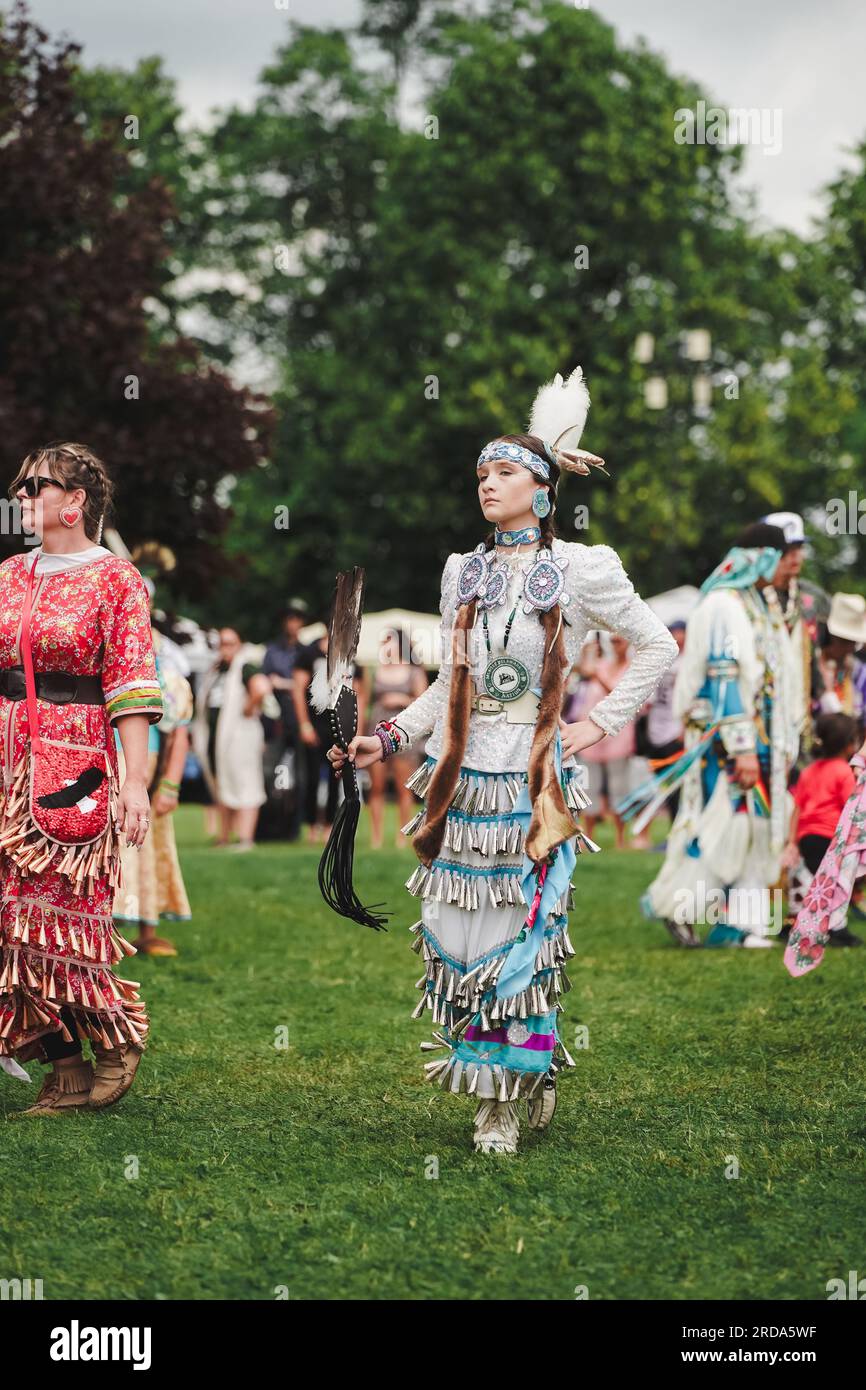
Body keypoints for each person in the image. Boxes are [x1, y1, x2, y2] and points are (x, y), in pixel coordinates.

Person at [328, 366, 677, 1154]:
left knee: (518, 936)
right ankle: (509, 1071)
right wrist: (383, 739)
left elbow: (658, 646)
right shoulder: (464, 570)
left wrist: (596, 725)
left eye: (506, 471)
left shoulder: (587, 568)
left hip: (535, 783)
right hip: (458, 784)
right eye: (481, 474)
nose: (487, 484)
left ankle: (503, 1102)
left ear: (545, 489)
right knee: (456, 933)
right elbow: (449, 685)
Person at [0, 442, 163, 1113]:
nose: (24, 497)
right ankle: (61, 1059)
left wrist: (134, 784)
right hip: (4, 755)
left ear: (76, 501)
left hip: (74, 764)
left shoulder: (116, 581)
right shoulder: (8, 573)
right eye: (20, 487)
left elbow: (131, 689)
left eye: (37, 486)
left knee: (59, 921)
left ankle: (113, 1038)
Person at [634, 523, 801, 948]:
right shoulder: (724, 605)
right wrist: (742, 747)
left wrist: (779, 742)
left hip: (759, 741)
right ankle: (680, 908)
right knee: (718, 826)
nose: (789, 565)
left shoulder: (757, 604)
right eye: (782, 556)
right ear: (758, 557)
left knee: (754, 830)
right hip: (725, 746)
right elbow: (722, 678)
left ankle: (739, 927)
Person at [114, 610, 194, 957]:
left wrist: (171, 784)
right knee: (109, 850)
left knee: (151, 846)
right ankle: (105, 928)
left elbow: (179, 730)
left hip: (146, 770)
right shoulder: (106, 652)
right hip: (102, 763)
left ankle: (148, 927)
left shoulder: (163, 665)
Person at [780, 713, 862, 947]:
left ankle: (794, 923)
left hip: (807, 837)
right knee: (833, 884)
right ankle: (836, 929)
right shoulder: (843, 772)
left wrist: (792, 842)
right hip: (831, 838)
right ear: (850, 744)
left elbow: (797, 809)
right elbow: (851, 809)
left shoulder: (809, 771)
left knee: (809, 880)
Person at [192, 629, 270, 850]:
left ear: (239, 645)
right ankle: (224, 836)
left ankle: (245, 838)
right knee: (221, 785)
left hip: (240, 736)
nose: (225, 648)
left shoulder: (246, 667)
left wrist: (249, 708)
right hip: (216, 738)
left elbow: (262, 688)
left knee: (246, 783)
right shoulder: (217, 670)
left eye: (230, 643)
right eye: (222, 644)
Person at [293, 630, 362, 845]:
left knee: (336, 776)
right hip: (315, 724)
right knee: (312, 777)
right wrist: (304, 724)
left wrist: (356, 730)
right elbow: (298, 689)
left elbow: (358, 692)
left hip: (340, 726)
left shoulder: (350, 657)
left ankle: (331, 825)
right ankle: (312, 824)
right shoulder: (310, 654)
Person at [575, 634, 642, 850]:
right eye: (612, 641)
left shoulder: (634, 669)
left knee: (619, 789)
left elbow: (620, 698)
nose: (615, 645)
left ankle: (621, 839)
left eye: (619, 640)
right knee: (589, 788)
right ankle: (588, 836)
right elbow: (582, 675)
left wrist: (597, 677)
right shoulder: (601, 665)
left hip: (618, 737)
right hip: (591, 738)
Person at [366, 626, 429, 849]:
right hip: (376, 730)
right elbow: (365, 701)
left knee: (404, 788)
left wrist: (402, 699)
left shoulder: (415, 672)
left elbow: (425, 705)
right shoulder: (374, 671)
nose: (384, 645)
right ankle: (375, 838)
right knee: (376, 787)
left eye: (388, 640)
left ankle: (402, 838)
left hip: (405, 733)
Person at [263, 598, 309, 841]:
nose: (293, 623)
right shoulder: (273, 650)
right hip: (277, 721)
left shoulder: (305, 651)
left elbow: (306, 686)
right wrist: (294, 685)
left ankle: (295, 828)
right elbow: (267, 682)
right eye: (290, 618)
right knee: (269, 772)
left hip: (299, 719)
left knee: (302, 777)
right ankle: (271, 825)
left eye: (297, 618)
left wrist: (285, 684)